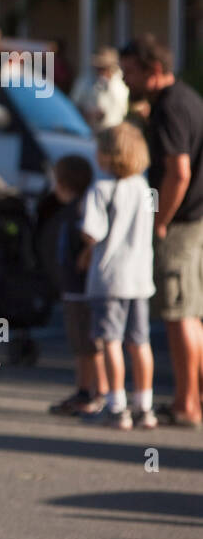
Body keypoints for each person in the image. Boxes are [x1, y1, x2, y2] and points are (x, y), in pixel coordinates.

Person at [120, 34, 203, 428]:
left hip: (182, 223)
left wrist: (161, 220)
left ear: (153, 70)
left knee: (179, 314)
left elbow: (179, 171)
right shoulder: (184, 99)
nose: (124, 80)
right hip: (194, 220)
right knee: (190, 314)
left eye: (130, 72)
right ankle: (191, 398)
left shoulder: (171, 106)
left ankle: (188, 404)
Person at [79, 124, 156, 429]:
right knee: (140, 342)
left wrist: (83, 250)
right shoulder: (144, 187)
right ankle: (145, 406)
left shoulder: (101, 189)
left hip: (110, 278)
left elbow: (91, 232)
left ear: (108, 154)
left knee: (110, 341)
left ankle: (116, 405)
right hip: (140, 278)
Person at [42, 155, 106, 418]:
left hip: (83, 290)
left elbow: (93, 239)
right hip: (72, 288)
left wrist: (86, 256)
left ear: (64, 183)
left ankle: (99, 392)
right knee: (80, 344)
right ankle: (83, 390)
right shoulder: (69, 210)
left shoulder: (81, 209)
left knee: (91, 343)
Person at [72, 47, 130, 132]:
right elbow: (74, 104)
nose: (100, 71)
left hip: (114, 133)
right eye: (98, 67)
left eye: (104, 67)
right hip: (90, 132)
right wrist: (87, 113)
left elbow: (123, 111)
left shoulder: (121, 85)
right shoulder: (86, 81)